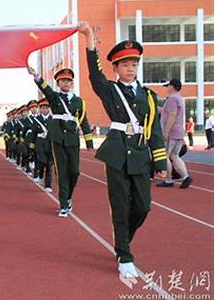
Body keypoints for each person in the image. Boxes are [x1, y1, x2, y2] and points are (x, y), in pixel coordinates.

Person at [79, 21, 167, 279]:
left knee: (143, 207)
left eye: (134, 64)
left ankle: (122, 238)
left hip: (140, 154)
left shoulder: (149, 96)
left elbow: (155, 130)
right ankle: (124, 254)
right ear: (115, 68)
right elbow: (95, 75)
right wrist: (89, 38)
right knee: (119, 205)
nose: (130, 69)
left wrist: (160, 162)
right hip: (117, 154)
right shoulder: (110, 90)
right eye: (125, 65)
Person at [27, 66, 94, 218]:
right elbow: (45, 89)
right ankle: (64, 205)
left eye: (69, 81)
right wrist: (37, 76)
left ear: (72, 83)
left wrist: (89, 142)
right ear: (58, 83)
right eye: (63, 81)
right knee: (62, 173)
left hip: (72, 141)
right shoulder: (54, 97)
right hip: (57, 140)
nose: (66, 83)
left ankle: (68, 197)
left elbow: (84, 121)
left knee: (74, 172)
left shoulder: (79, 102)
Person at [156, 79, 192, 188]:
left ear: (172, 86)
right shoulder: (179, 98)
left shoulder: (171, 99)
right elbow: (166, 111)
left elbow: (172, 114)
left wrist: (166, 131)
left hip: (171, 132)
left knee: (165, 156)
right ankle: (185, 177)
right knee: (174, 156)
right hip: (178, 131)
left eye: (168, 86)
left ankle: (168, 180)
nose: (167, 88)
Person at [31, 98, 53, 192]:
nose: (45, 110)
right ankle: (40, 175)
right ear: (40, 109)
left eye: (46, 108)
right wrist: (32, 144)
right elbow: (33, 133)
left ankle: (48, 185)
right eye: (43, 108)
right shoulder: (37, 120)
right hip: (40, 144)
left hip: (50, 144)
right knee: (41, 162)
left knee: (49, 164)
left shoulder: (53, 119)